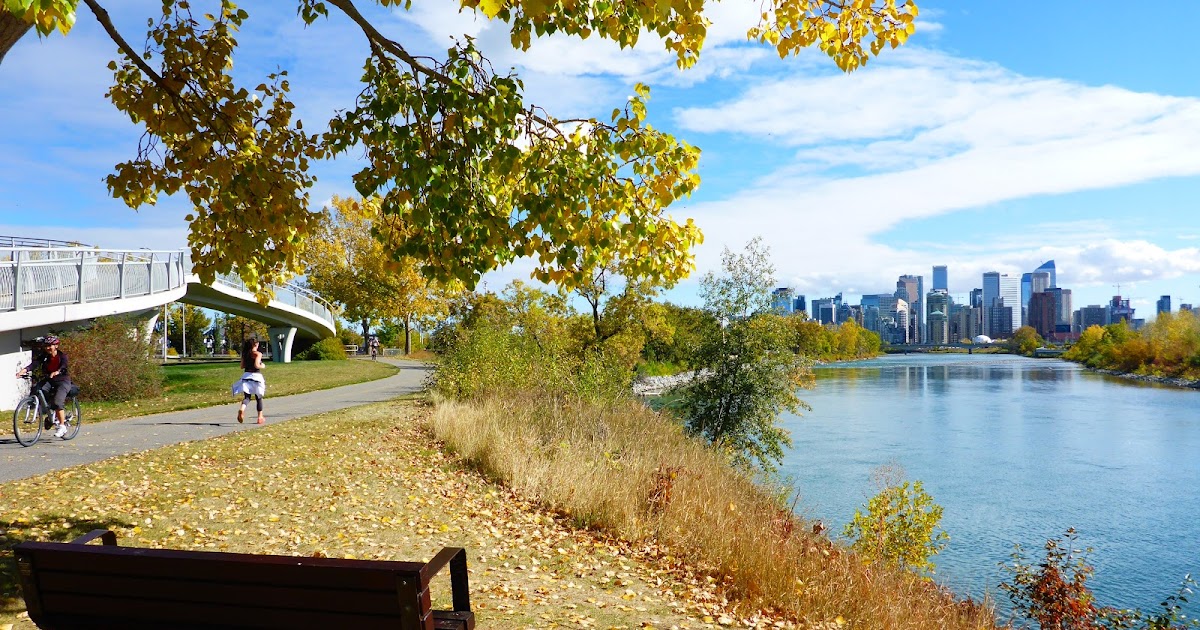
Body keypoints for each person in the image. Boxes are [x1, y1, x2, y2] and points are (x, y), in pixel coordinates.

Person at [15, 335, 74, 438]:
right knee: (37, 389)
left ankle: (62, 426)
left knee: (58, 402)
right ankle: (48, 413)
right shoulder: (44, 356)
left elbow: (63, 366)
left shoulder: (62, 356)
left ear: (56, 345)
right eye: (46, 346)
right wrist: (24, 370)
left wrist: (57, 372)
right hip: (49, 380)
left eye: (50, 345)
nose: (48, 348)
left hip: (62, 381)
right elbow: (34, 364)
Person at [230, 338, 266, 424]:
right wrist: (262, 365)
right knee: (259, 397)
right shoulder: (257, 354)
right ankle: (260, 417)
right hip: (256, 377)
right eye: (257, 344)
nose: (258, 346)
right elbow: (257, 365)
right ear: (255, 345)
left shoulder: (245, 354)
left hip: (246, 376)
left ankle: (242, 409)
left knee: (247, 397)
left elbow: (242, 366)